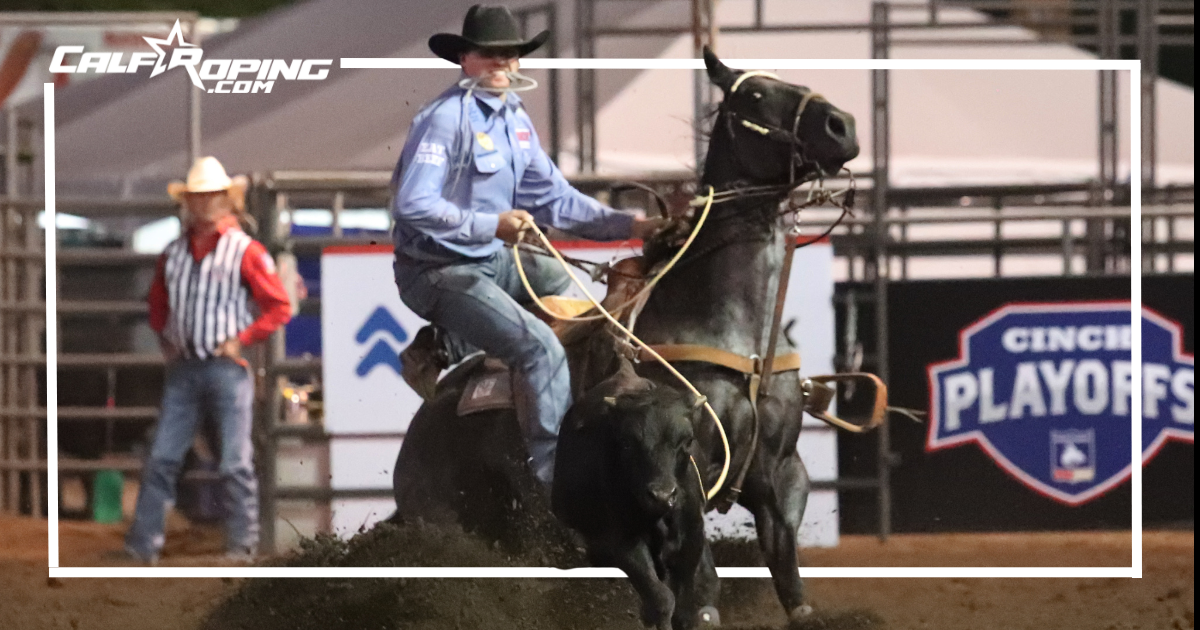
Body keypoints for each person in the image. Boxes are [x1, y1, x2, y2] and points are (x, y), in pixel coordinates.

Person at [392, 5, 663, 487]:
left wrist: (634, 226)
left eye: (510, 54)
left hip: (492, 261)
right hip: (436, 270)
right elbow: (413, 205)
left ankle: (447, 345)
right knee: (539, 348)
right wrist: (490, 225)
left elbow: (556, 200)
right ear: (465, 59)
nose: (501, 62)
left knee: (580, 308)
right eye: (488, 53)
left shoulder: (514, 119)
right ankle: (551, 474)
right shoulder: (442, 120)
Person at [124, 156, 291, 563]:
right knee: (165, 456)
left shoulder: (243, 250)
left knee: (233, 460)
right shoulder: (176, 253)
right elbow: (158, 303)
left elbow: (278, 306)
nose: (202, 204)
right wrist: (167, 338)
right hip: (190, 367)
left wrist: (243, 340)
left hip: (223, 368)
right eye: (197, 197)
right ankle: (144, 545)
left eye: (209, 196)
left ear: (224, 200)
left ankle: (241, 545)